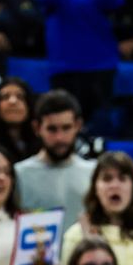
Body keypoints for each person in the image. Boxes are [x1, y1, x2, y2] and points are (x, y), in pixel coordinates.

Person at [12, 89, 95, 229]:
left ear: (78, 126)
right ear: (37, 128)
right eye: (52, 129)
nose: (59, 138)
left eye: (66, 128)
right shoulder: (19, 174)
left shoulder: (93, 173)